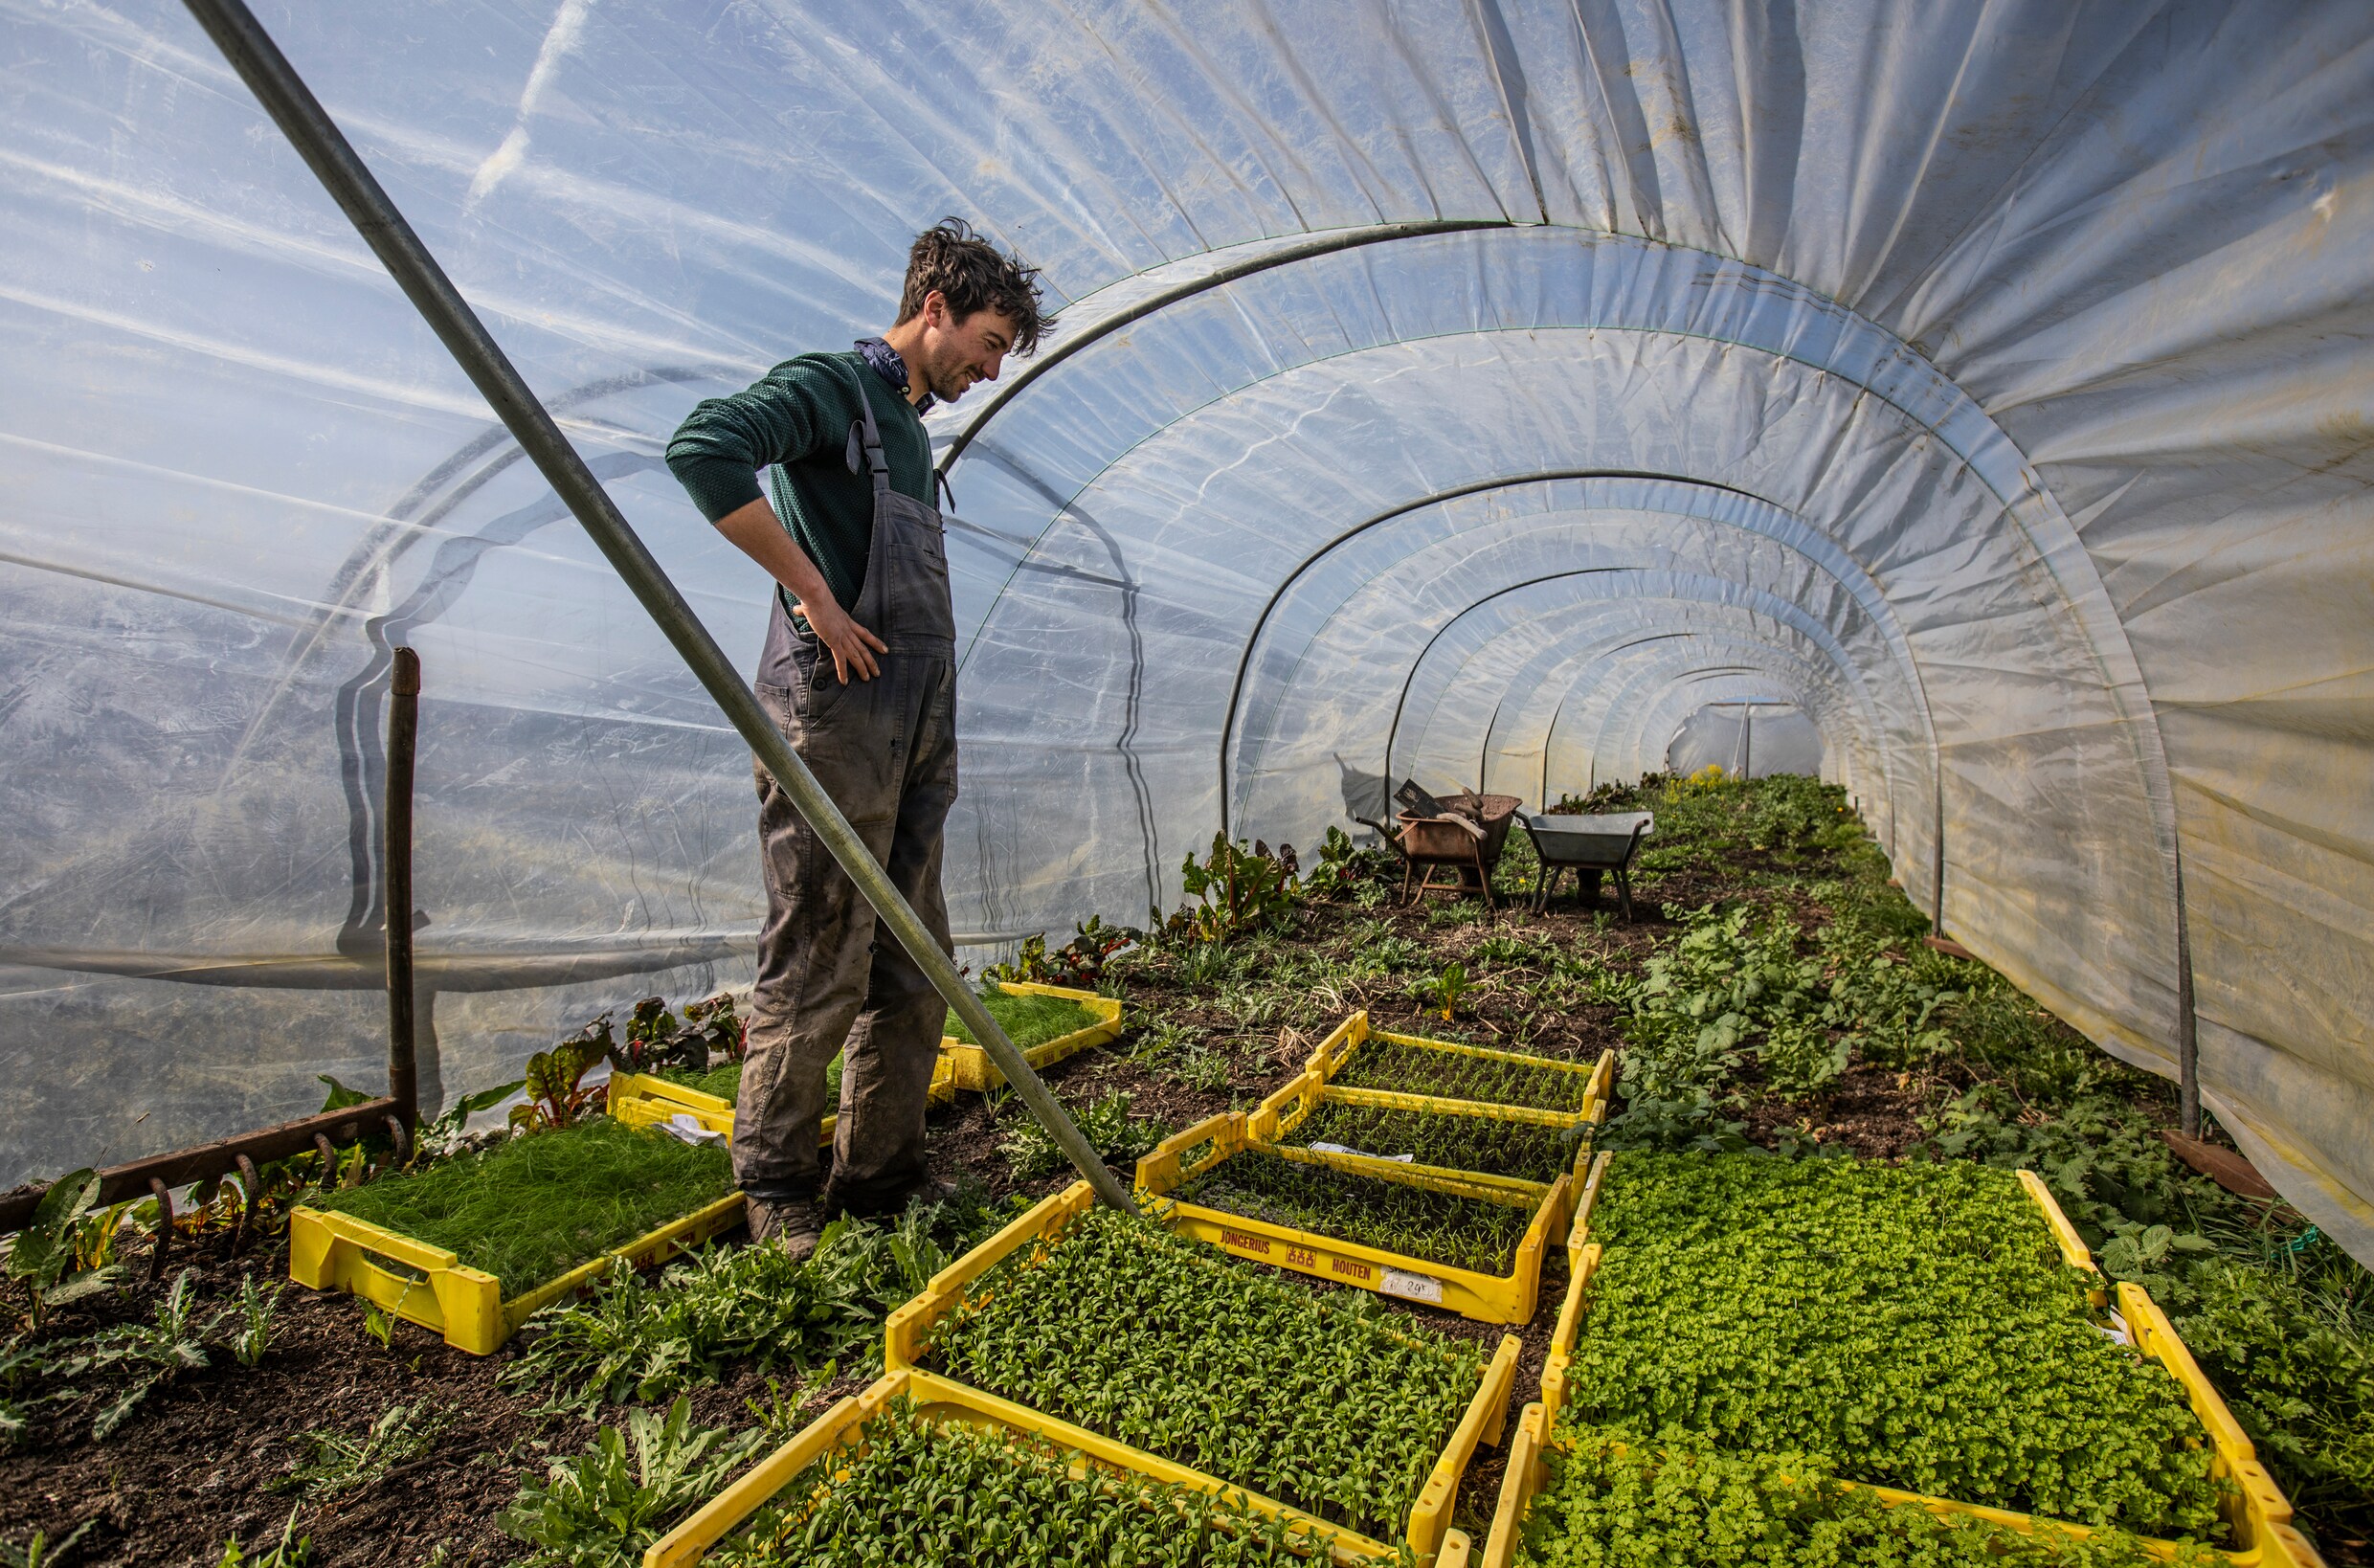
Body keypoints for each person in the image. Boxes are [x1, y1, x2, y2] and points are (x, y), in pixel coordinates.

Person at [665, 220, 1049, 1257]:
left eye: (1005, 351)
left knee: (911, 958)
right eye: (987, 339)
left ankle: (880, 1174)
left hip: (915, 719)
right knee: (819, 949)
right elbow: (702, 449)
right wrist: (813, 600)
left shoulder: (911, 428)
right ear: (934, 309)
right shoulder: (835, 388)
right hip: (833, 718)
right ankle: (778, 1185)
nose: (991, 364)